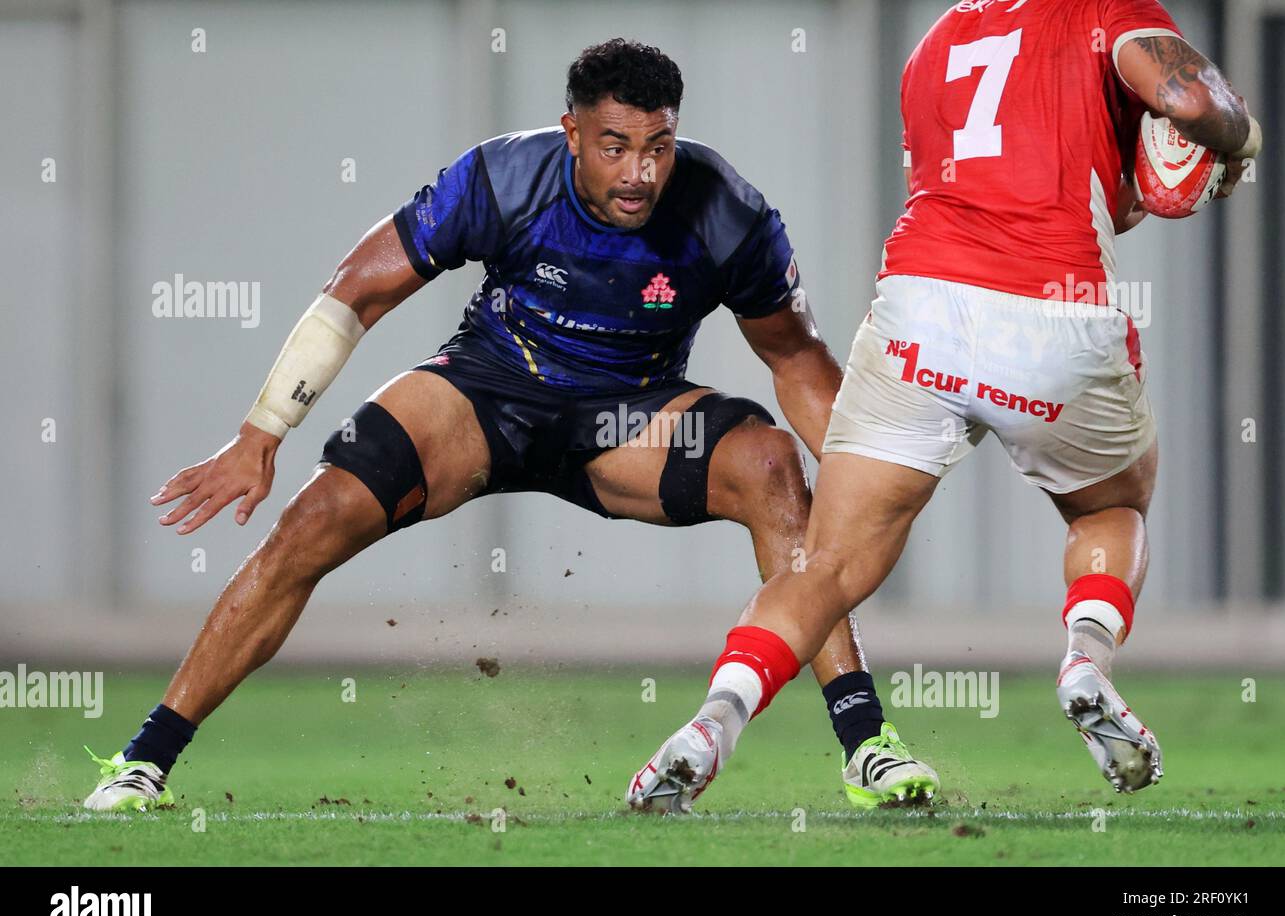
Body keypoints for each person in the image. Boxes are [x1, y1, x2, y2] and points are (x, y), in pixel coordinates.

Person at [84, 39, 937, 814]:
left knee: (770, 464)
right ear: (572, 133)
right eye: (615, 146)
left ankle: (866, 744)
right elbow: (359, 289)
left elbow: (795, 358)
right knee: (311, 524)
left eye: (658, 145)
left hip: (624, 418)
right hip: (485, 397)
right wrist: (262, 432)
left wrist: (874, 471)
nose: (640, 172)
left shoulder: (725, 212)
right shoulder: (504, 179)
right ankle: (144, 760)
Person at [634, 0, 1262, 810]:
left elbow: (984, 183)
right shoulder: (1107, 12)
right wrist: (1239, 139)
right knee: (1112, 507)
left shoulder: (933, 46)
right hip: (1052, 306)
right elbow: (1192, 102)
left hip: (920, 306)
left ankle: (712, 723)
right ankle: (1085, 660)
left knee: (826, 564)